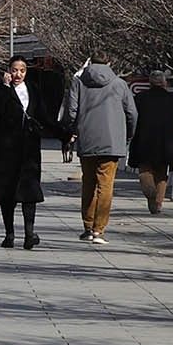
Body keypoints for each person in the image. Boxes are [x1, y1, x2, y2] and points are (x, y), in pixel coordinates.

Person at [63, 55, 136, 245]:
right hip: (112, 142)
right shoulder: (120, 84)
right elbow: (132, 113)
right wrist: (127, 135)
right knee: (106, 186)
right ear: (110, 63)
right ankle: (99, 230)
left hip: (87, 140)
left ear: (90, 63)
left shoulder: (78, 82)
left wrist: (72, 131)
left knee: (88, 184)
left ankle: (87, 227)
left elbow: (71, 111)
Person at [0, 57, 51, 250]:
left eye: (22, 70)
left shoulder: (33, 89)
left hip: (29, 149)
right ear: (8, 71)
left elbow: (43, 115)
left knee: (29, 191)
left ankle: (29, 233)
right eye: (15, 70)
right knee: (8, 194)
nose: (18, 74)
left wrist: (63, 134)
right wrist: (5, 88)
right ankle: (9, 234)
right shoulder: (0, 89)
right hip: (7, 149)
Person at [131, 71, 173, 215]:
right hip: (166, 142)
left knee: (145, 170)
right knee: (162, 173)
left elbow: (131, 115)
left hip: (144, 140)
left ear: (150, 83)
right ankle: (158, 202)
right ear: (164, 83)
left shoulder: (140, 98)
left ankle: (150, 193)